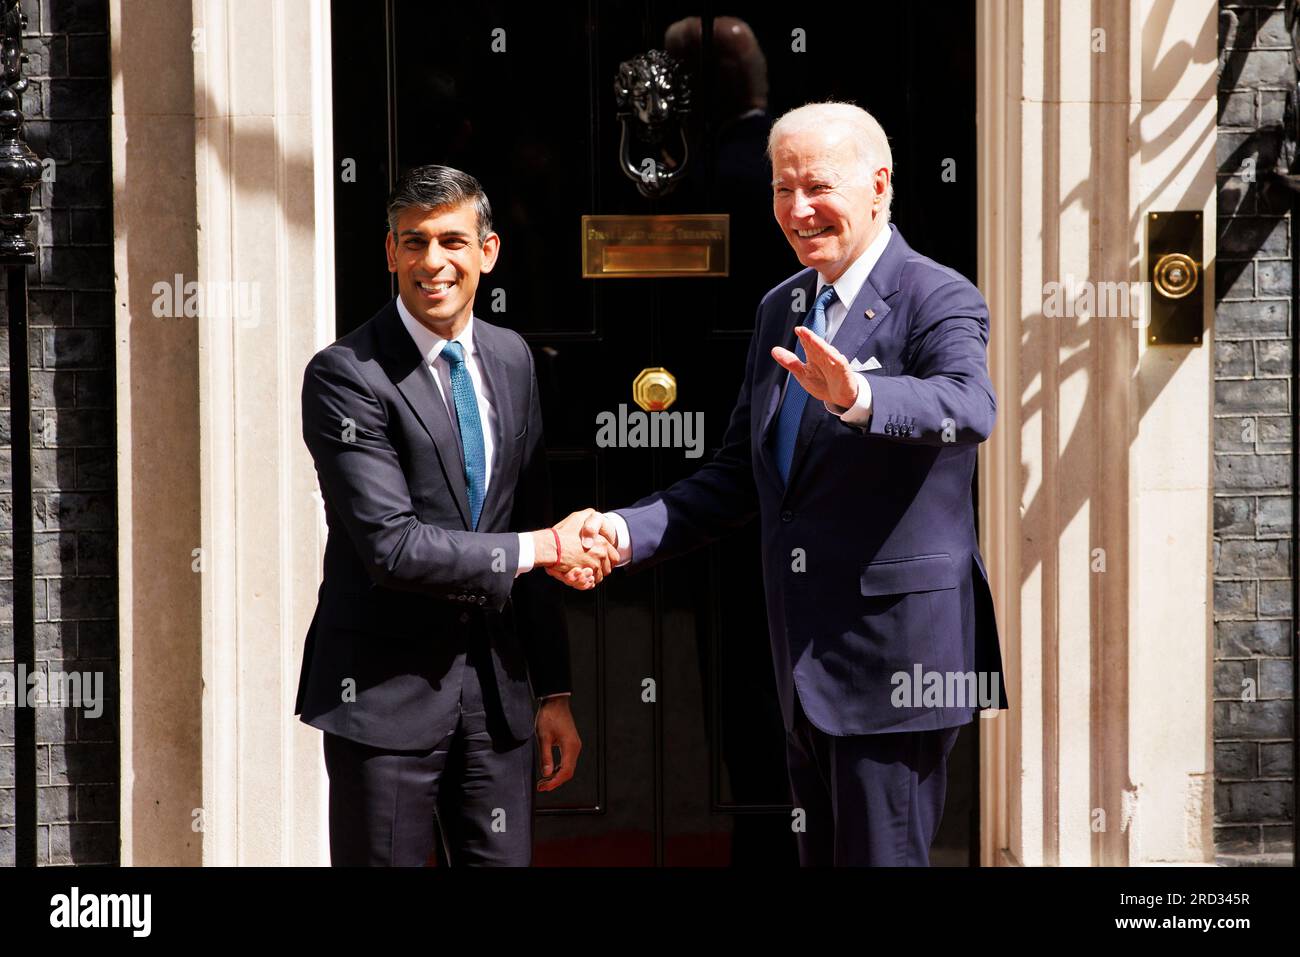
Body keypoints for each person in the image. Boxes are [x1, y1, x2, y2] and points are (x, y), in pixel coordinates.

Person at [581, 102, 1009, 866]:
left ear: (879, 185)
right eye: (783, 189)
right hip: (800, 662)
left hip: (896, 662)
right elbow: (740, 478)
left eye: (818, 187)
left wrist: (860, 398)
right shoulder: (784, 305)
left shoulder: (936, 294)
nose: (798, 210)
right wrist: (625, 530)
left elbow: (970, 407)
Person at [294, 164, 612, 866]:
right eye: (413, 242)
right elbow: (393, 547)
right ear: (390, 253)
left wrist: (553, 688)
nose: (432, 262)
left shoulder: (513, 358)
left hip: (497, 701)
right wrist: (543, 547)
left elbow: (528, 511)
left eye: (451, 241)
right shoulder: (346, 374)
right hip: (382, 697)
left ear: (487, 252)